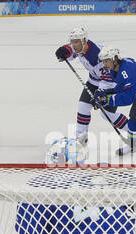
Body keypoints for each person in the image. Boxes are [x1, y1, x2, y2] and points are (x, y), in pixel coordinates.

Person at [54, 26, 130, 157]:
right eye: (72, 41)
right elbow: (71, 50)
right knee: (83, 107)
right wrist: (64, 51)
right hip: (93, 81)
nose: (74, 44)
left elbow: (108, 78)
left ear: (84, 40)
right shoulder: (80, 46)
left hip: (111, 84)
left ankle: (133, 131)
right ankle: (80, 141)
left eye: (76, 41)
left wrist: (100, 93)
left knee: (106, 114)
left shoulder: (96, 56)